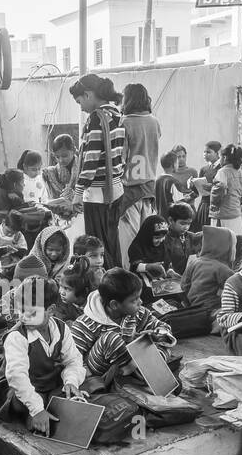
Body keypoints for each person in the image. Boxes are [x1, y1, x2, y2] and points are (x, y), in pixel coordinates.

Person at [2, 280, 86, 434]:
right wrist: (37, 410)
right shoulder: (17, 337)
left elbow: (73, 360)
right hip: (21, 385)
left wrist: (71, 381)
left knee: (73, 391)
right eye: (21, 310)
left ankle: (46, 409)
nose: (24, 317)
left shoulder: (61, 328)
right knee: (22, 402)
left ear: (51, 310)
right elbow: (17, 377)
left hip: (48, 381)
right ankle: (37, 414)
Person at [71, 267, 176, 385]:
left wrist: (157, 334)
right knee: (112, 338)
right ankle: (137, 373)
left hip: (130, 363)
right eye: (134, 300)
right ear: (114, 304)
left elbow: (162, 326)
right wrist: (88, 378)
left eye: (139, 297)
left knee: (164, 344)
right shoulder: (85, 324)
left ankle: (136, 372)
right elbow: (73, 357)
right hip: (101, 371)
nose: (140, 302)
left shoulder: (138, 312)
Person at [72, 74, 125, 269]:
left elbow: (91, 159)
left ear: (88, 95)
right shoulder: (117, 115)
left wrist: (78, 193)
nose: (81, 107)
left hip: (97, 194)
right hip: (116, 190)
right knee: (111, 243)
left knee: (96, 247)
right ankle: (117, 281)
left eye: (79, 102)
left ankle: (103, 285)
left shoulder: (96, 118)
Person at [119, 82, 161, 270]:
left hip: (129, 189)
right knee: (147, 239)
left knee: (129, 241)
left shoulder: (124, 122)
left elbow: (121, 157)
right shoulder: (154, 121)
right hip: (150, 187)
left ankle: (129, 278)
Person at [175, 225, 234, 338]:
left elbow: (183, 285)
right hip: (212, 310)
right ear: (227, 247)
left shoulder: (195, 262)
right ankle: (216, 325)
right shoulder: (222, 269)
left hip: (194, 308)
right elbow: (237, 288)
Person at [208, 144, 242, 241]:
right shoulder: (241, 172)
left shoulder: (222, 172)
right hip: (236, 215)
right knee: (236, 243)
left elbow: (220, 187)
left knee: (220, 244)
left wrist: (214, 204)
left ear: (224, 157)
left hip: (222, 215)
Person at [128, 214, 172, 298]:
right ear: (147, 235)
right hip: (141, 279)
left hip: (160, 279)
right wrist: (149, 266)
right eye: (157, 237)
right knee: (149, 294)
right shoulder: (136, 246)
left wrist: (170, 271)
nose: (161, 240)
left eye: (163, 237)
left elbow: (167, 262)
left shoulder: (163, 245)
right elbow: (135, 266)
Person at [52, 258, 94, 323]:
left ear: (82, 291)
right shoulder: (60, 303)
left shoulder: (94, 305)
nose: (61, 292)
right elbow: (62, 323)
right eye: (61, 286)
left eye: (66, 288)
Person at [163, 203, 196, 276]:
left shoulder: (191, 236)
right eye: (183, 223)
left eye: (189, 224)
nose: (186, 227)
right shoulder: (163, 238)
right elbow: (164, 262)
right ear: (171, 220)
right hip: (171, 279)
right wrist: (168, 271)